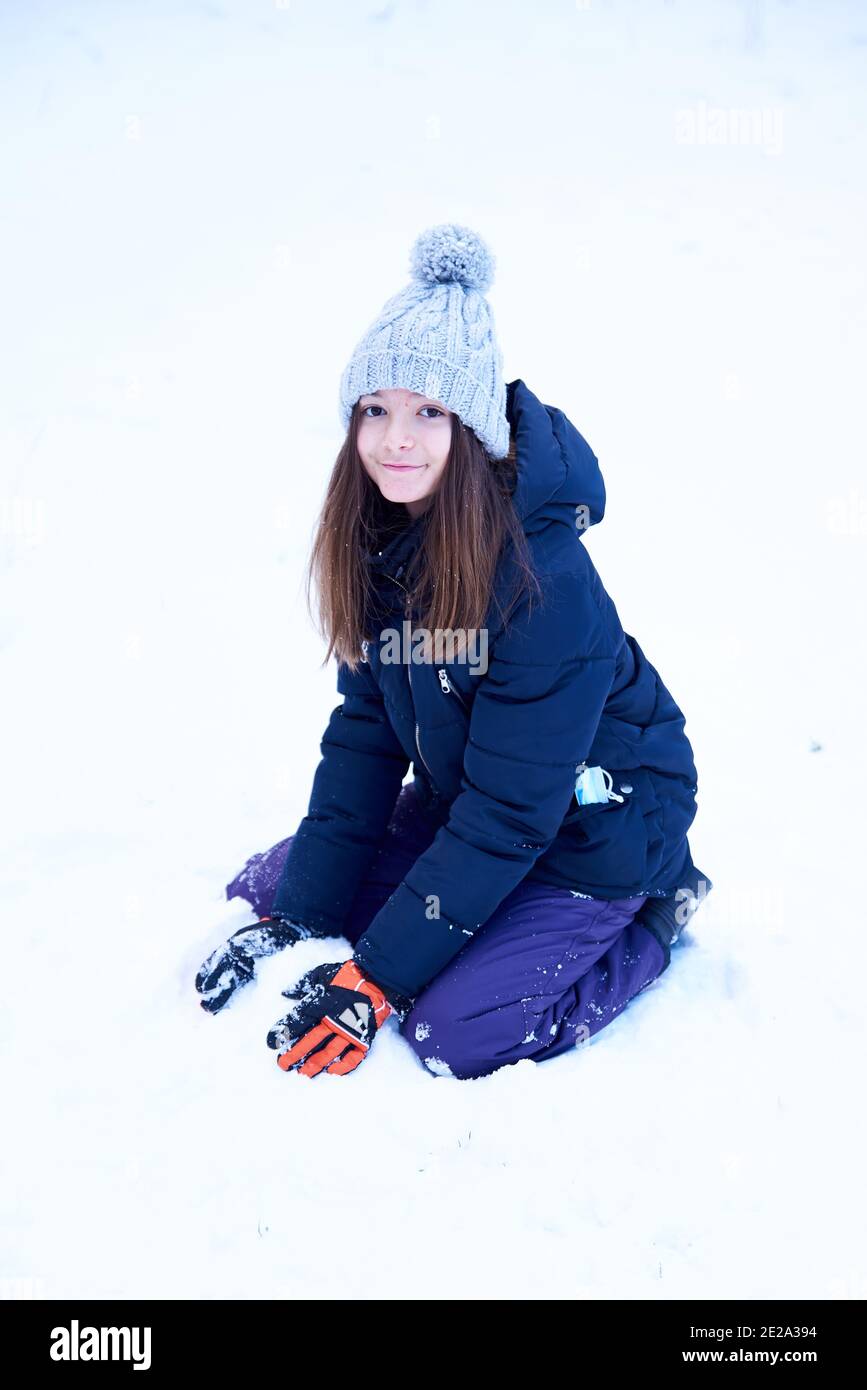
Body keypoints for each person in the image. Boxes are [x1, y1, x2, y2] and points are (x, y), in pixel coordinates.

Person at [195, 223, 713, 1081]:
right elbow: (366, 738)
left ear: (470, 427)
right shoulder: (386, 540)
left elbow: (514, 815)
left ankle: (656, 921)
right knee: (272, 890)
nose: (396, 439)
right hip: (478, 805)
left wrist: (377, 980)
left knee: (454, 1032)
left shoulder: (541, 584)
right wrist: (304, 921)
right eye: (376, 410)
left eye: (428, 411)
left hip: (598, 829)